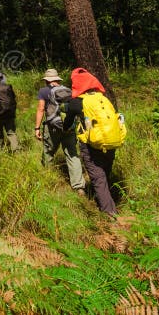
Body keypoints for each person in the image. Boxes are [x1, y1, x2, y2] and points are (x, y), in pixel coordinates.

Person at [63, 68, 117, 216]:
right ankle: (109, 201)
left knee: (98, 177)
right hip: (110, 142)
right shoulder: (103, 99)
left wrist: (66, 129)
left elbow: (67, 122)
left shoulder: (76, 102)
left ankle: (109, 212)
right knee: (105, 173)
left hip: (90, 144)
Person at [34, 68, 86, 196]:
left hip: (53, 127)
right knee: (72, 154)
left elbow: (41, 109)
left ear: (46, 80)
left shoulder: (44, 91)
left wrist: (37, 128)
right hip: (69, 127)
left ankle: (48, 180)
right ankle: (79, 187)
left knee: (48, 152)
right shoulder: (68, 90)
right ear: (58, 80)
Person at [0, 70, 20, 152]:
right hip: (9, 113)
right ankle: (16, 150)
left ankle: (0, 151)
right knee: (11, 133)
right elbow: (13, 99)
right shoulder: (9, 86)